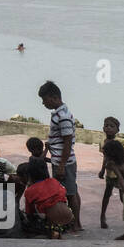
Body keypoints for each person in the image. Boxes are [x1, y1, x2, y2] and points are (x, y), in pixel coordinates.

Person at [39, 81, 81, 229]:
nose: (43, 103)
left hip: (64, 162)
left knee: (69, 193)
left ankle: (75, 223)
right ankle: (73, 221)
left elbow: (68, 141)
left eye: (45, 99)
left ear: (54, 97)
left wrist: (62, 165)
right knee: (71, 191)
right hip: (60, 160)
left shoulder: (62, 116)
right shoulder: (60, 113)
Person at [22, 159, 75, 239]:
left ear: (30, 175)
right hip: (68, 217)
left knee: (36, 212)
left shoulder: (30, 190)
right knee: (52, 205)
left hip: (49, 219)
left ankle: (51, 231)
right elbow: (63, 193)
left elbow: (29, 212)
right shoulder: (54, 181)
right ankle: (58, 230)